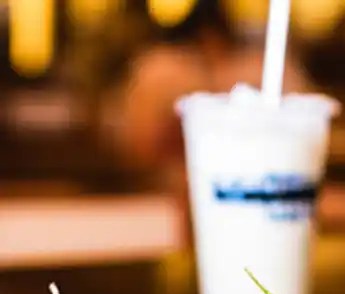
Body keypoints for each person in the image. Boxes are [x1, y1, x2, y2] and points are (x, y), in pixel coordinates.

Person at [104, 0, 313, 183]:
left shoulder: (263, 69)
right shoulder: (160, 71)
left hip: (252, 186)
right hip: (165, 189)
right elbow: (135, 144)